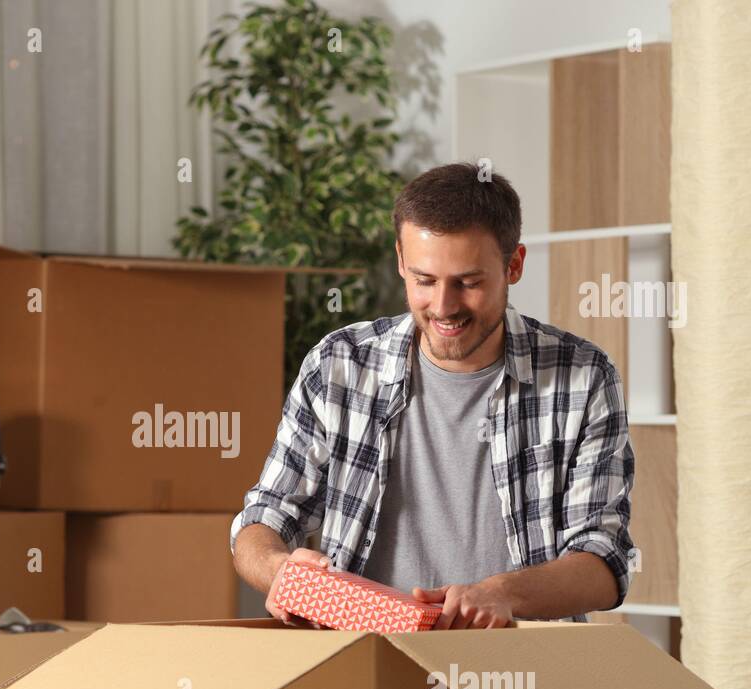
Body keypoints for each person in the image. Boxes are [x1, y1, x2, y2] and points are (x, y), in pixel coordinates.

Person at [231, 162, 635, 632]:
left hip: (523, 667)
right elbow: (263, 517)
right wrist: (281, 570)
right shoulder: (339, 365)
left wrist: (503, 594)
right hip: (366, 661)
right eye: (424, 280)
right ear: (401, 260)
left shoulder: (581, 377)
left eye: (468, 282)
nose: (443, 307)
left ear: (514, 265)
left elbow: (603, 561)